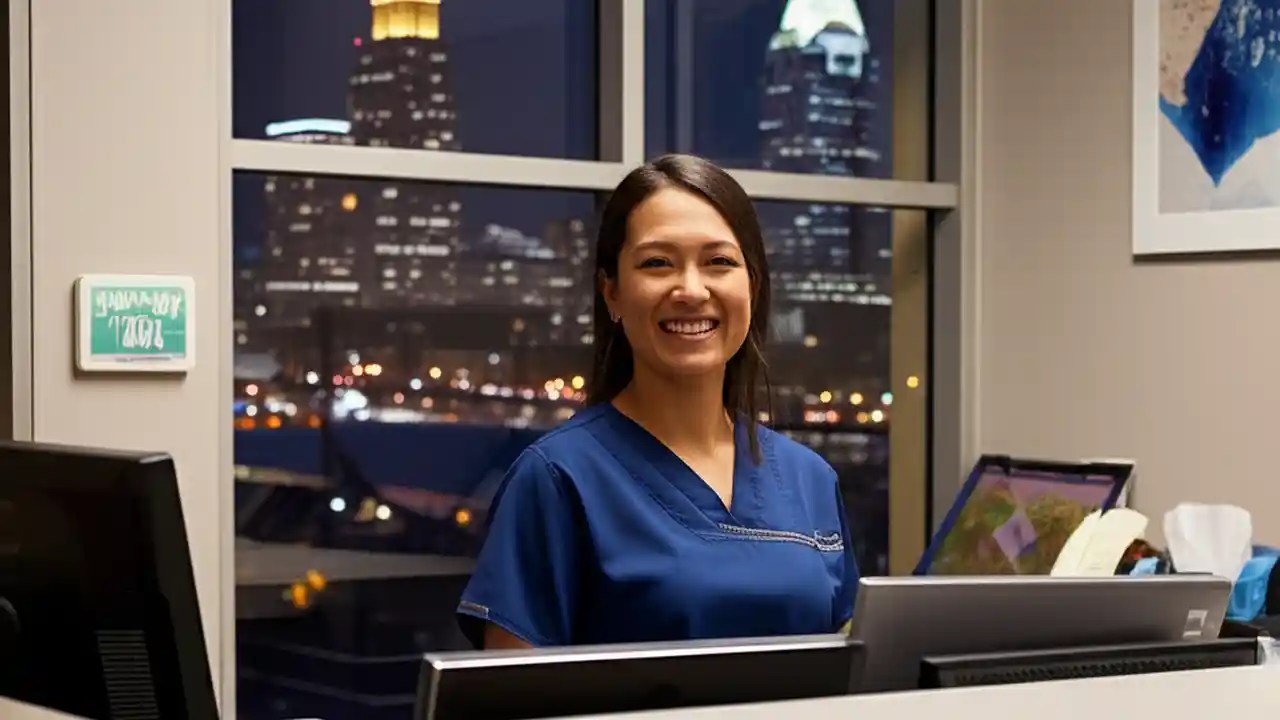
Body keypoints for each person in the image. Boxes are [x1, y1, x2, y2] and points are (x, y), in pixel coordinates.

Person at [456, 154, 860, 649]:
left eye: (719, 262)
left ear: (752, 287)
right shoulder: (557, 479)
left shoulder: (810, 479)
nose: (691, 290)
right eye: (657, 263)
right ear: (613, 294)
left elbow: (850, 667)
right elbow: (510, 697)